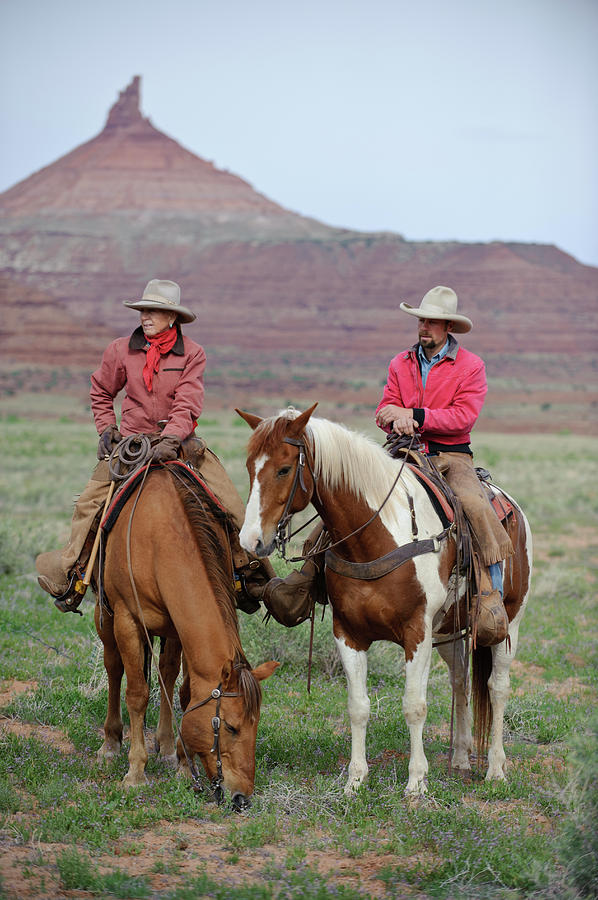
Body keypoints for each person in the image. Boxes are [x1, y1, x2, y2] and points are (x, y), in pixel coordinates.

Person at [35, 278, 274, 614]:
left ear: (172, 317)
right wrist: (107, 428)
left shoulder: (192, 353)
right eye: (143, 310)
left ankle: (248, 574)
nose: (145, 316)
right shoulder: (121, 349)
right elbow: (101, 390)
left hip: (179, 444)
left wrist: (173, 438)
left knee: (230, 501)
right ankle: (72, 573)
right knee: (90, 502)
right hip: (131, 444)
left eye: (154, 311)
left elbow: (187, 402)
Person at [374, 285, 513, 645]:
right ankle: (310, 578)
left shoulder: (471, 366)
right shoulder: (399, 363)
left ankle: (489, 598)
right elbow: (384, 408)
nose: (425, 327)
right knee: (354, 494)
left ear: (447, 327)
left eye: (433, 322)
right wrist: (395, 419)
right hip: (404, 451)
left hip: (452, 456)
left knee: (476, 506)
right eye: (422, 320)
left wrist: (414, 415)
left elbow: (463, 418)